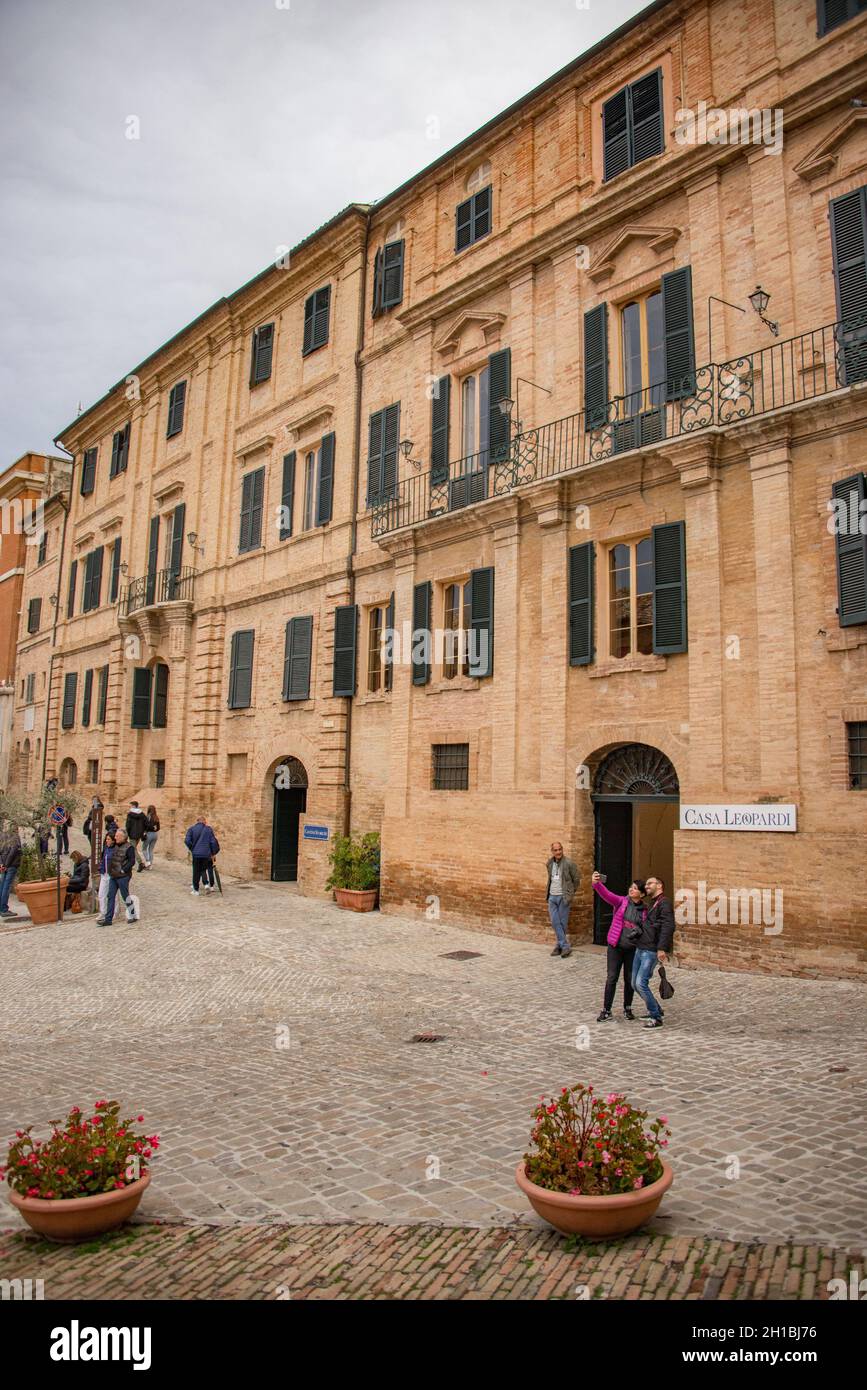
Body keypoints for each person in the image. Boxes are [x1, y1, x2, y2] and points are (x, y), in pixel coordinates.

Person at [591, 871, 645, 1022]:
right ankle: (606, 1010)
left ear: (641, 894)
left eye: (635, 888)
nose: (631, 889)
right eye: (631, 887)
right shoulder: (621, 902)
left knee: (629, 979)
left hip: (632, 949)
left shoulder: (645, 911)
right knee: (611, 977)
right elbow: (607, 895)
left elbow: (647, 929)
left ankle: (628, 1008)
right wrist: (597, 884)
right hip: (615, 946)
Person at [632, 875, 675, 1029]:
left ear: (660, 885)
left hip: (651, 949)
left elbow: (668, 927)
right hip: (641, 947)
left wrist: (662, 948)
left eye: (650, 883)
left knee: (640, 983)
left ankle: (656, 1018)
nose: (647, 886)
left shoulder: (664, 903)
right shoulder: (653, 903)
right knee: (634, 983)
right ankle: (656, 1009)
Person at [96, 830, 138, 926]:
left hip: (123, 876)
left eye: (117, 836)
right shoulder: (115, 846)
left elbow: (132, 861)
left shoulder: (129, 847)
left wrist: (123, 870)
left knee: (125, 895)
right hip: (114, 875)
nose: (115, 838)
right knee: (110, 896)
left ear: (123, 837)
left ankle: (133, 914)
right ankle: (108, 919)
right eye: (115, 836)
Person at [545, 841, 579, 958]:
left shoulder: (569, 863)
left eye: (560, 849)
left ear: (562, 850)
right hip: (552, 896)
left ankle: (559, 946)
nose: (558, 852)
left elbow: (576, 880)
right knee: (555, 922)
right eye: (555, 850)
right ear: (552, 852)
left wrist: (570, 894)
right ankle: (564, 946)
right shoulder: (549, 863)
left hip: (563, 897)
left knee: (562, 923)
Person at [184, 816, 220, 895]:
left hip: (196, 854)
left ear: (197, 822)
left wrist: (192, 848)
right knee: (203, 870)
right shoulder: (209, 829)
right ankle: (207, 885)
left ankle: (196, 890)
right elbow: (213, 842)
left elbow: (187, 840)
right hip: (206, 855)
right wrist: (213, 852)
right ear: (204, 822)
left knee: (196, 871)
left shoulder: (192, 829)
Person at [0, 825, 22, 918]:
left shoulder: (3, 836)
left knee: (2, 886)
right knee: (6, 887)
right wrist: (6, 865)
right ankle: (4, 909)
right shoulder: (15, 837)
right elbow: (13, 851)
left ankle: (2, 908)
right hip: (11, 865)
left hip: (4, 865)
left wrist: (1, 864)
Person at [126, 801, 149, 872]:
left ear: (133, 805)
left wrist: (127, 833)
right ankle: (130, 862)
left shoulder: (130, 814)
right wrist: (143, 831)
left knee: (133, 849)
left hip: (132, 834)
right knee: (133, 848)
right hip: (140, 834)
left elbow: (128, 825)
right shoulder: (142, 814)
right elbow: (146, 823)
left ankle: (140, 863)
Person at [97, 830, 115, 918]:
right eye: (106, 839)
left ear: (113, 840)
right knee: (101, 894)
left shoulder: (115, 849)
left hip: (112, 875)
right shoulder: (105, 849)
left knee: (113, 895)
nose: (107, 841)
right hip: (104, 874)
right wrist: (101, 868)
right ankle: (103, 912)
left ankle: (115, 912)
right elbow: (102, 860)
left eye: (108, 839)